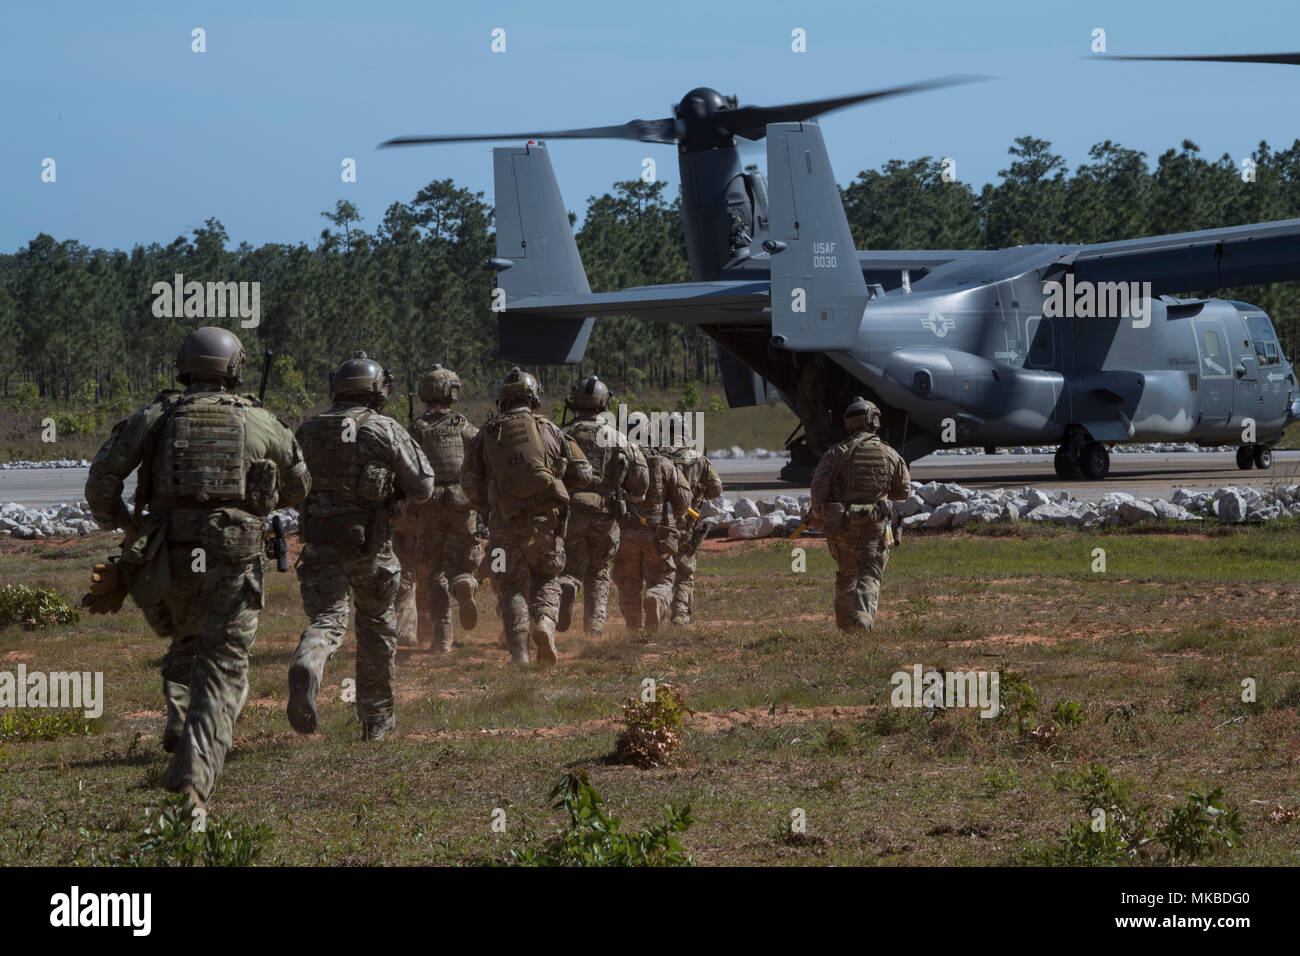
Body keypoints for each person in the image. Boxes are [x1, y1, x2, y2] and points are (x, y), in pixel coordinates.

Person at [83, 327, 310, 807]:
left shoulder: (156, 417)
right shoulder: (261, 419)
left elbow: (101, 482)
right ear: (234, 369)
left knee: (187, 638)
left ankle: (181, 720)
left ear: (185, 368)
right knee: (224, 663)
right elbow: (299, 487)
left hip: (166, 556)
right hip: (231, 553)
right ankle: (192, 782)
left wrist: (126, 527)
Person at [289, 352, 434, 741]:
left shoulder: (308, 430)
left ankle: (310, 659)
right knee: (375, 627)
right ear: (378, 390)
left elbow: (289, 489)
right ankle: (377, 723)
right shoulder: (384, 429)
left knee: (328, 618)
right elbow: (423, 486)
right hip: (371, 548)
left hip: (319, 545)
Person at [462, 368, 591, 664]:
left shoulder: (487, 433)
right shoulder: (551, 429)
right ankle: (545, 623)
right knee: (547, 578)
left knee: (510, 587)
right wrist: (557, 479)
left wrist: (490, 507)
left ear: (502, 399)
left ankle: (519, 652)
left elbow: (469, 482)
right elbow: (584, 474)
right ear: (534, 397)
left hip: (503, 526)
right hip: (547, 523)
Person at [396, 365, 481, 652]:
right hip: (461, 502)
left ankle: (442, 638)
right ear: (451, 393)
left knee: (433, 573)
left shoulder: (417, 428)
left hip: (428, 504)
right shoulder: (462, 424)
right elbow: (480, 451)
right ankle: (464, 582)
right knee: (464, 560)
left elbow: (404, 466)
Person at [809, 396, 910, 632]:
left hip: (842, 524)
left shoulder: (835, 453)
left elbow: (818, 489)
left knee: (847, 572)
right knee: (870, 572)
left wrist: (817, 513)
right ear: (873, 421)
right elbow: (902, 491)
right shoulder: (889, 453)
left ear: (848, 423)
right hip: (876, 523)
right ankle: (863, 616)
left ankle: (846, 626)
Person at [557, 376, 648, 637]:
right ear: (605, 403)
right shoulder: (618, 437)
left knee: (569, 567)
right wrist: (632, 498)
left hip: (570, 513)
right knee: (598, 570)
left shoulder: (561, 434)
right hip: (605, 516)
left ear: (575, 402)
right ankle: (594, 630)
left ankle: (568, 585)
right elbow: (640, 480)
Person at [612, 411, 691, 634]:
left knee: (628, 584)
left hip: (625, 534)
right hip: (658, 535)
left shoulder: (616, 464)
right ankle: (656, 598)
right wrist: (675, 517)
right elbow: (684, 500)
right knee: (664, 578)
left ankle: (634, 629)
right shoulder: (662, 462)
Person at [664, 411, 722, 625]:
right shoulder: (699, 459)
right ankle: (679, 613)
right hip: (688, 523)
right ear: (687, 432)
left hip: (659, 524)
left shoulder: (655, 455)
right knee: (684, 571)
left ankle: (656, 607)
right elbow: (716, 489)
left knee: (659, 570)